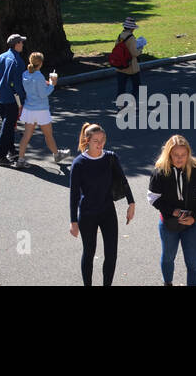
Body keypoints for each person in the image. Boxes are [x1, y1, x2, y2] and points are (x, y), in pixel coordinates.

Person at [68, 122, 135, 286]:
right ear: (87, 141)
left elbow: (123, 181)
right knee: (89, 252)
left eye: (102, 140)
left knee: (111, 254)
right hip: (88, 214)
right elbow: (74, 194)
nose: (99, 144)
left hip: (107, 212)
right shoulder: (79, 164)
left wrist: (131, 203)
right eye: (95, 140)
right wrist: (73, 221)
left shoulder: (110, 158)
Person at [148, 134, 196, 286]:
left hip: (192, 223)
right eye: (176, 155)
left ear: (188, 154)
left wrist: (194, 217)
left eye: (183, 155)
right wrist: (173, 212)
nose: (180, 158)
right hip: (169, 223)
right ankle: (167, 282)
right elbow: (153, 198)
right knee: (168, 258)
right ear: (169, 154)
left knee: (193, 264)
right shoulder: (159, 172)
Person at [16, 52, 68, 168]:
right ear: (41, 63)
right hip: (41, 110)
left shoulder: (25, 74)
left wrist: (46, 84)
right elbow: (43, 94)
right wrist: (52, 85)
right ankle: (57, 154)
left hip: (29, 108)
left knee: (26, 135)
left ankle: (20, 159)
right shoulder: (39, 76)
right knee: (48, 135)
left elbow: (33, 88)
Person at [0, 34, 27, 166]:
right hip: (12, 99)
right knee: (7, 127)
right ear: (16, 44)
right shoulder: (18, 61)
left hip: (0, 97)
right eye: (21, 42)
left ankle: (12, 151)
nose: (23, 44)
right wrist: (21, 101)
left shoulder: (0, 57)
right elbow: (17, 84)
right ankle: (0, 156)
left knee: (9, 126)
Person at [112, 18, 143, 97]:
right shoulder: (131, 38)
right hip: (131, 67)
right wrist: (140, 49)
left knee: (121, 89)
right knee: (137, 87)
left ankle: (120, 107)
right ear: (132, 28)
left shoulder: (120, 35)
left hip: (120, 67)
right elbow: (134, 53)